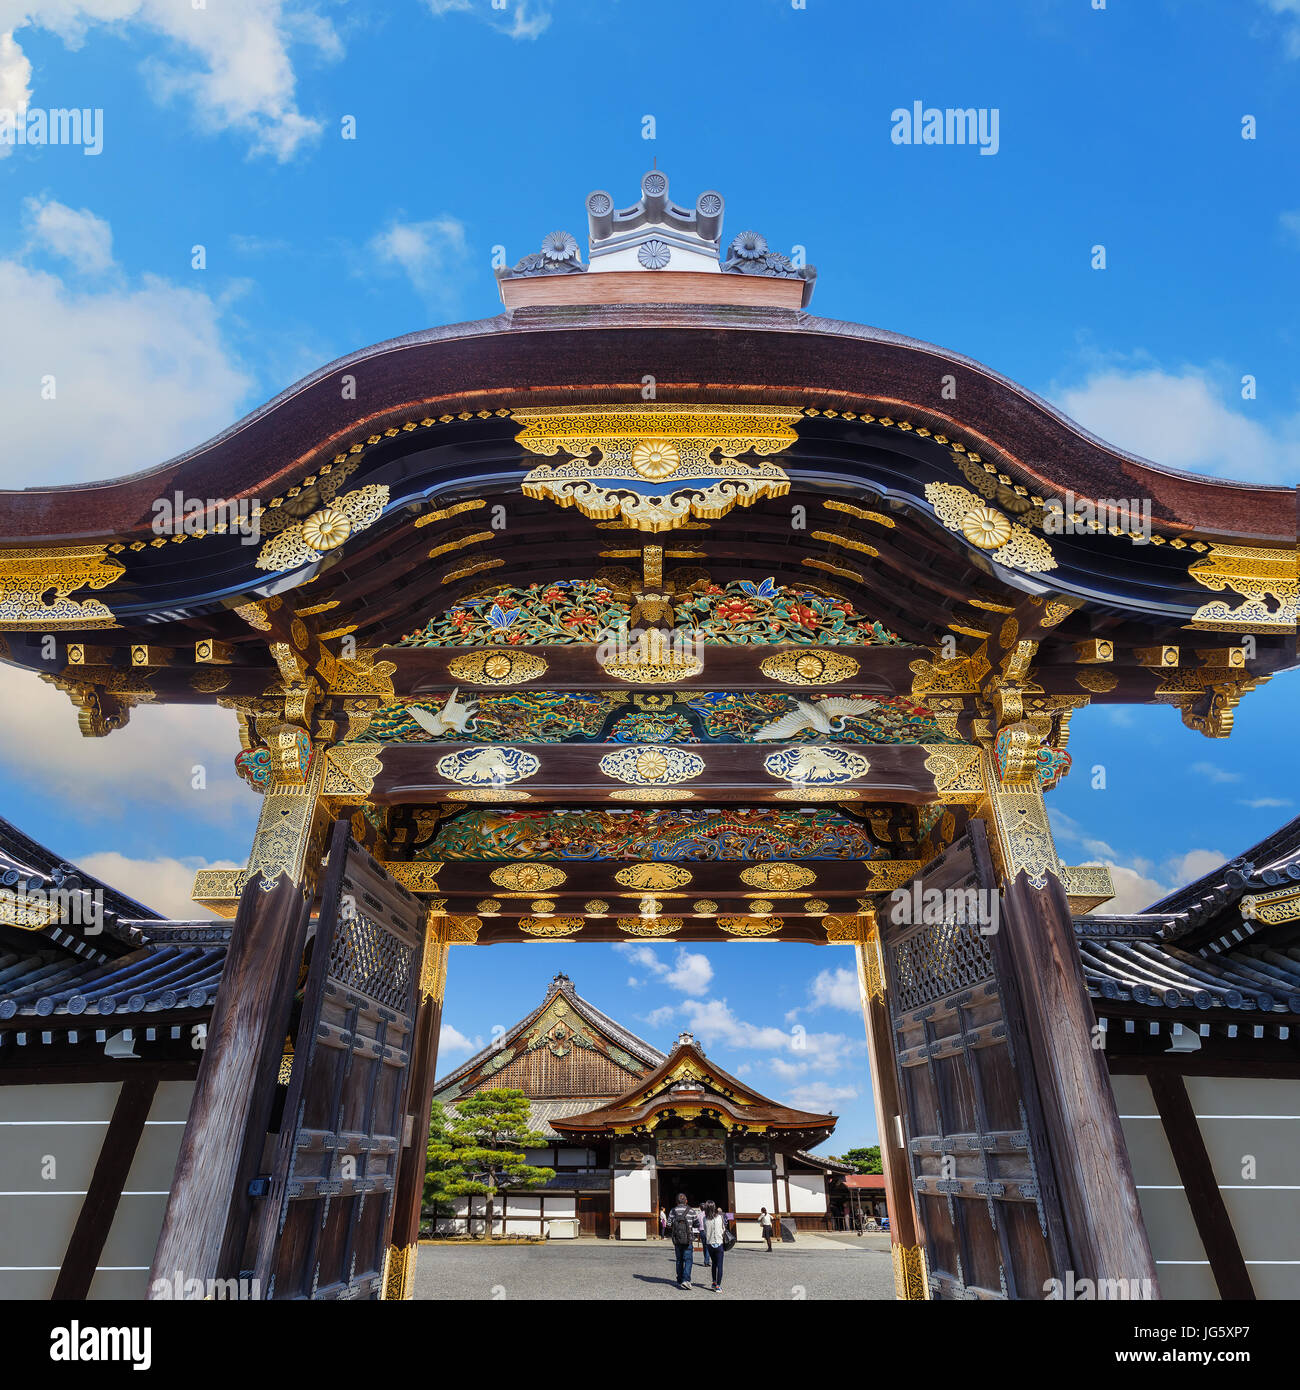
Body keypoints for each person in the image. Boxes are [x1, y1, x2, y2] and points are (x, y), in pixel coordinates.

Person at [667, 1192, 698, 1288]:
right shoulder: (691, 1211)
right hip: (688, 1239)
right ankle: (686, 1280)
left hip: (677, 1239)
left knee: (679, 1260)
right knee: (688, 1260)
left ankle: (679, 1279)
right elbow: (696, 1224)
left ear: (677, 1202)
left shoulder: (673, 1211)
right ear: (686, 1201)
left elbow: (668, 1224)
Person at [702, 1200, 728, 1291]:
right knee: (720, 1265)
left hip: (709, 1243)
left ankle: (713, 1282)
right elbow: (723, 1229)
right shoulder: (720, 1217)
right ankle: (718, 1285)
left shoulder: (704, 1219)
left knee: (714, 1263)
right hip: (719, 1242)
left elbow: (705, 1231)